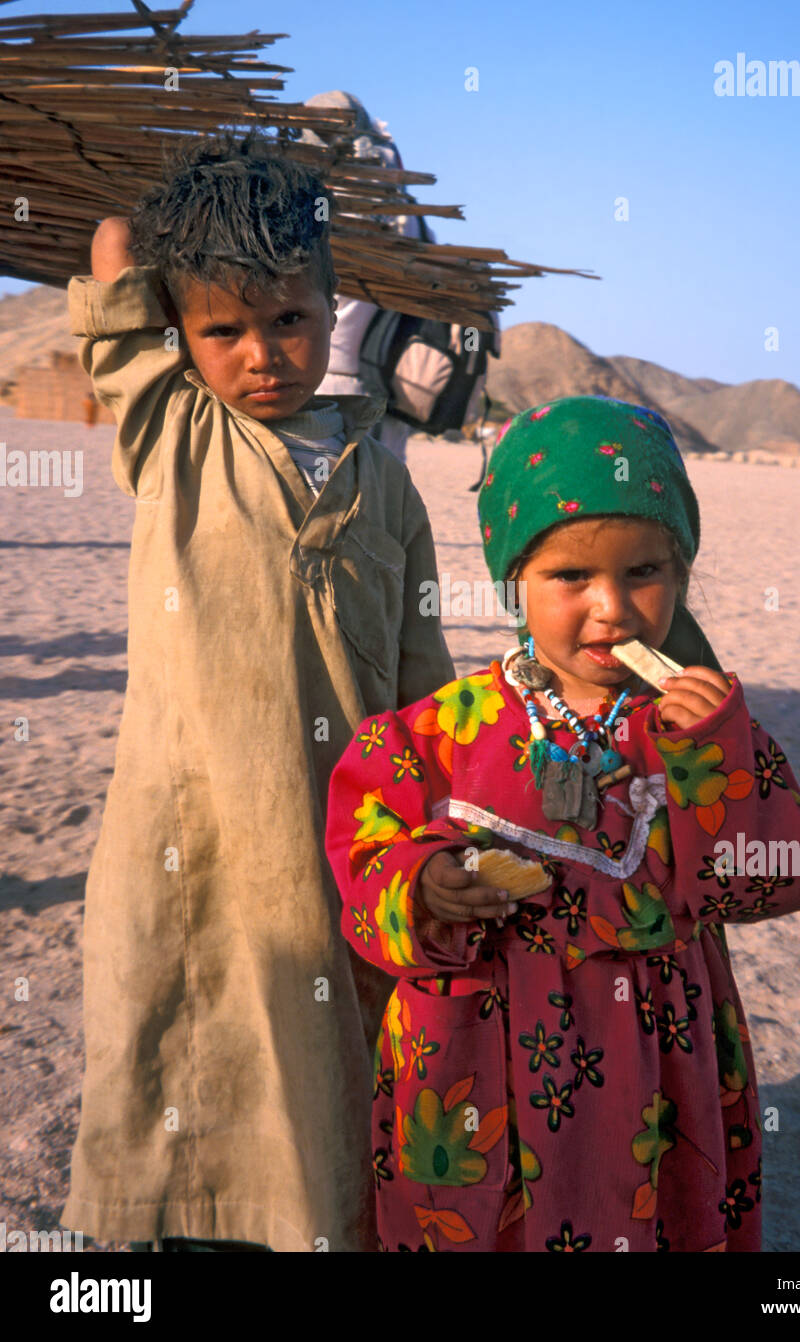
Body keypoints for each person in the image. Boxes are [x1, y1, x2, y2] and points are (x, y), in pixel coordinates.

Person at [60, 130, 454, 1252]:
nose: (259, 353)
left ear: (331, 312)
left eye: (287, 319)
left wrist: (432, 817)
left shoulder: (385, 487)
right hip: (188, 827)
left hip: (340, 835)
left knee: (319, 1068)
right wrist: (206, 213)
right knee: (176, 1031)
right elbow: (115, 257)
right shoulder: (176, 434)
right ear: (179, 339)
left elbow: (424, 676)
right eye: (219, 329)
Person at [325, 395, 800, 1252]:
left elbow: (771, 877)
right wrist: (426, 882)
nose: (613, 609)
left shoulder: (696, 729)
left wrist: (715, 755)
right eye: (571, 578)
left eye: (645, 573)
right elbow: (362, 866)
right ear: (513, 581)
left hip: (656, 1049)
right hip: (478, 1055)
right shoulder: (433, 735)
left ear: (680, 576)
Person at [300, 90, 431, 465]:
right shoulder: (403, 205)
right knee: (381, 508)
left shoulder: (310, 201)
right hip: (385, 387)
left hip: (321, 383)